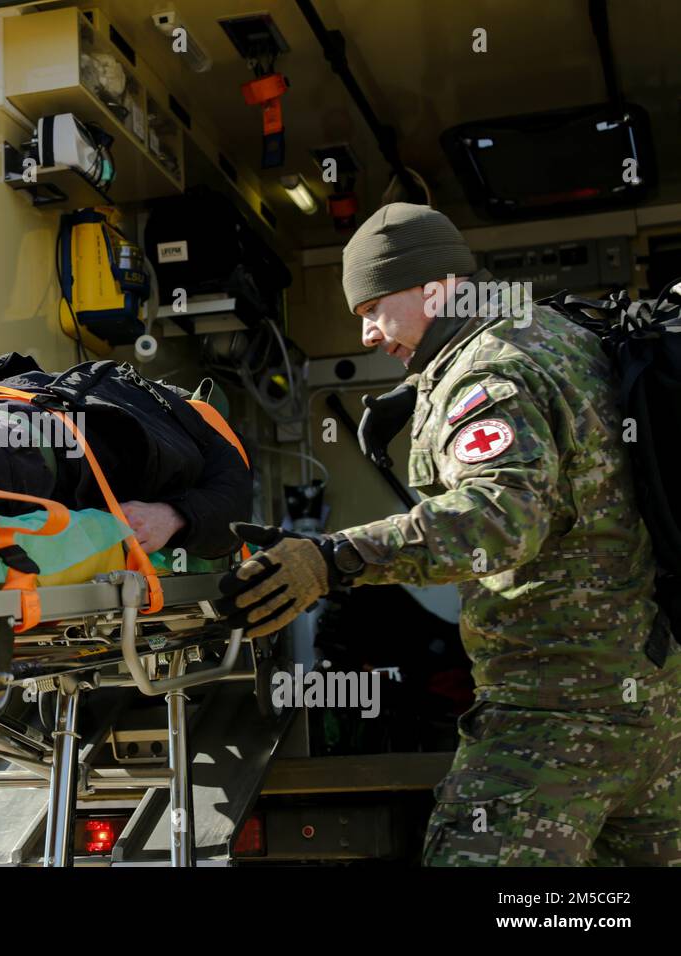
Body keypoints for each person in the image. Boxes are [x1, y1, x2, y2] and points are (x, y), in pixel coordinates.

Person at [220, 202, 681, 865]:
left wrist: (335, 557)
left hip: (552, 718)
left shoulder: (487, 368)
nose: (372, 335)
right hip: (653, 706)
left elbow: (501, 518)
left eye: (374, 307)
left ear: (433, 284)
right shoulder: (560, 333)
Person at [0, 352, 253, 558]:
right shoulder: (125, 387)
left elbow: (233, 510)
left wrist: (170, 516)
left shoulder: (207, 437)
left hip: (41, 440)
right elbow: (6, 368)